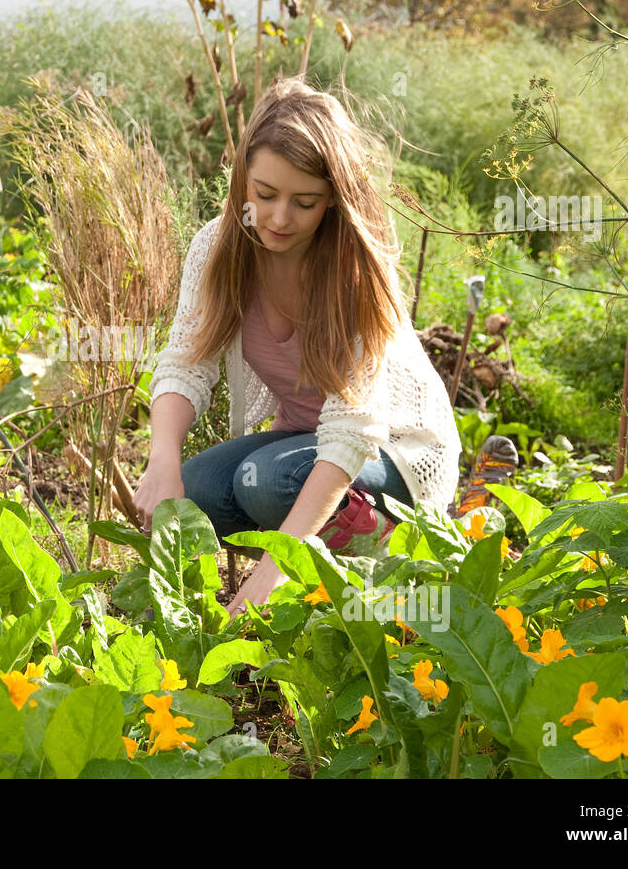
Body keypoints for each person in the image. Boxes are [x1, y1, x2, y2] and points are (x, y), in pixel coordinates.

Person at [133, 75, 463, 619]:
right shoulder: (216, 250)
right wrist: (162, 458)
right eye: (264, 195)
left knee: (266, 481)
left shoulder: (354, 273)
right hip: (301, 441)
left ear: (333, 198)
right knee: (196, 488)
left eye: (304, 202)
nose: (280, 219)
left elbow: (351, 434)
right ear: (243, 180)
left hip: (396, 453)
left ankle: (394, 555)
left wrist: (271, 573)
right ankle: (320, 563)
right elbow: (185, 365)